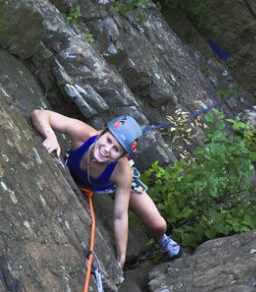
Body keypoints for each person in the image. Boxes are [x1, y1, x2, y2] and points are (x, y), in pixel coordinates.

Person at [31, 109, 181, 268]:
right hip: (94, 178)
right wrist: (50, 135)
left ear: (122, 156)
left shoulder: (123, 172)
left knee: (159, 225)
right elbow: (39, 114)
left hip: (111, 183)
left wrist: (121, 256)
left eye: (116, 149)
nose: (107, 149)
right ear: (102, 132)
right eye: (108, 140)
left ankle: (162, 240)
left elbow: (120, 216)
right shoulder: (84, 134)